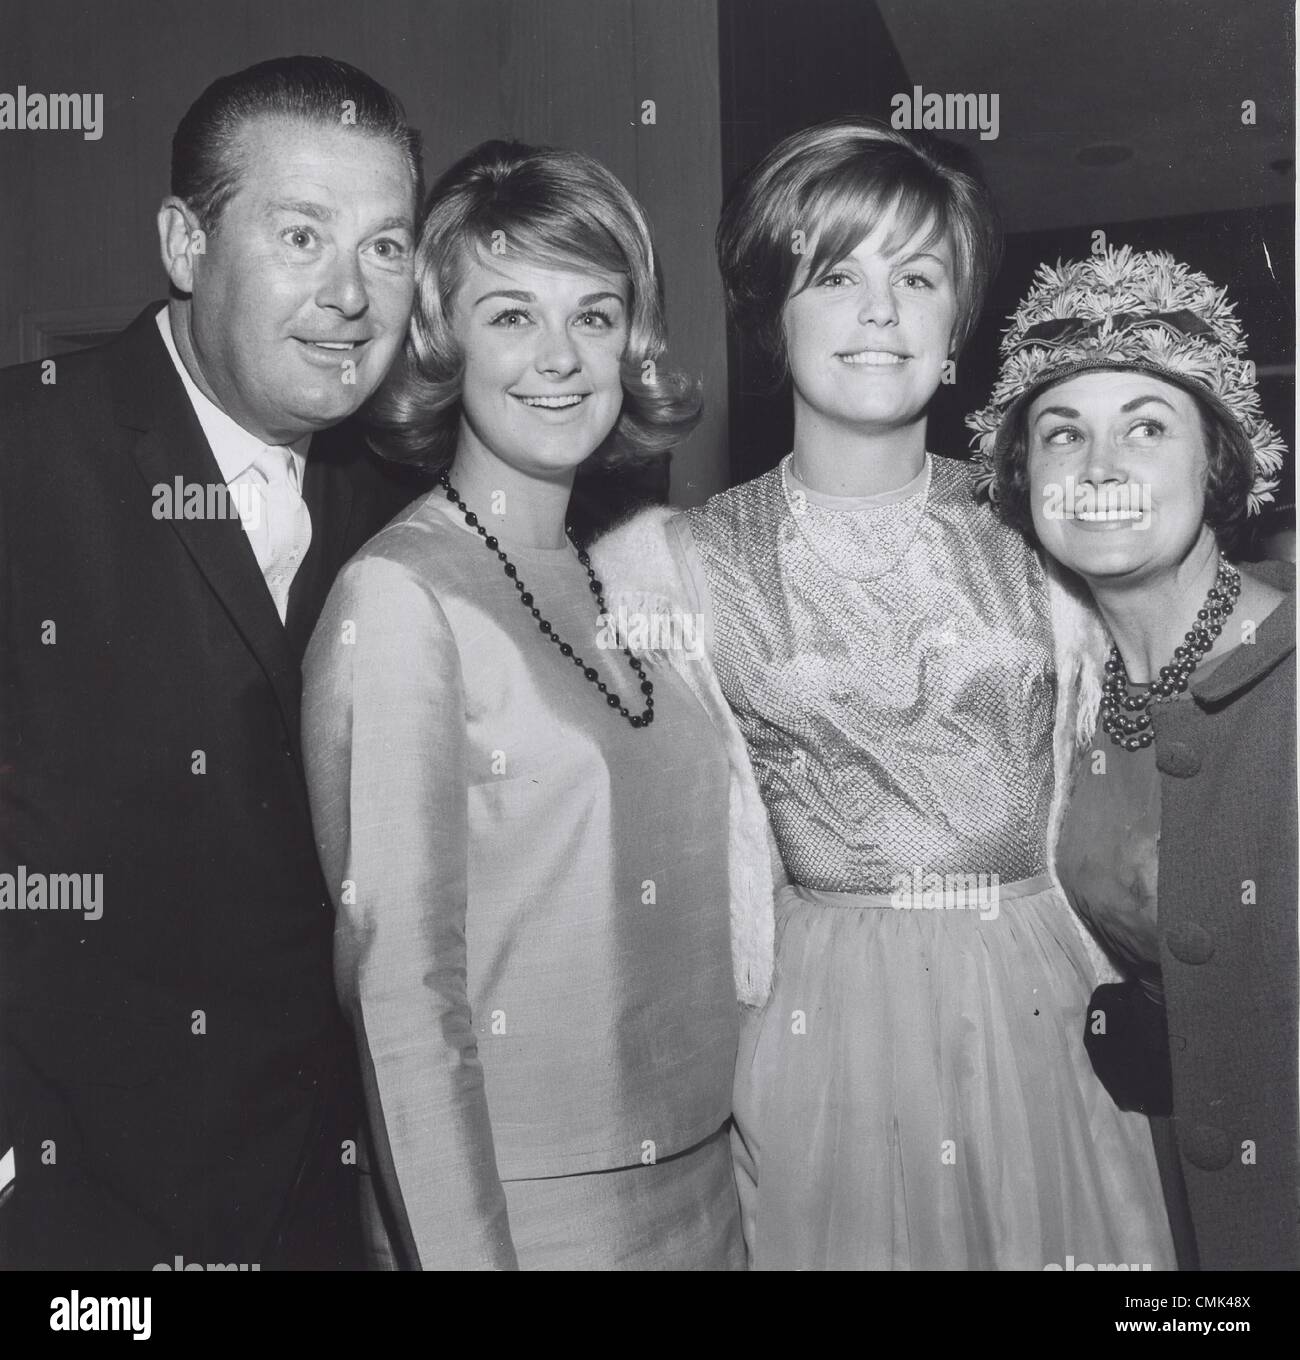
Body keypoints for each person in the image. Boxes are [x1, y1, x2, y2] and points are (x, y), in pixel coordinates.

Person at [592, 118, 1175, 1269]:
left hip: (1040, 1000)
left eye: (915, 278)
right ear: (774, 310)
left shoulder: (1044, 528)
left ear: (955, 322)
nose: (878, 310)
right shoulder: (678, 566)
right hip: (822, 1025)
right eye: (837, 274)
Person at [0, 55, 430, 1270]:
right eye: (302, 235)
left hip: (325, 1214)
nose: (351, 295)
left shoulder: (406, 505)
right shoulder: (23, 449)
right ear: (185, 245)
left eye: (387, 247)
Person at [302, 140, 747, 1270]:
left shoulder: (627, 574)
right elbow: (403, 1002)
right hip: (530, 1216)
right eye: (511, 316)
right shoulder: (397, 596)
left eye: (594, 315)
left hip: (708, 1187)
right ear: (441, 338)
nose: (560, 357)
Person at [967, 244, 1298, 1270]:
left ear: (1219, 460)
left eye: (1146, 429)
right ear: (1024, 479)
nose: (1099, 468)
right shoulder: (1055, 699)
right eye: (1063, 433)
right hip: (1146, 1207)